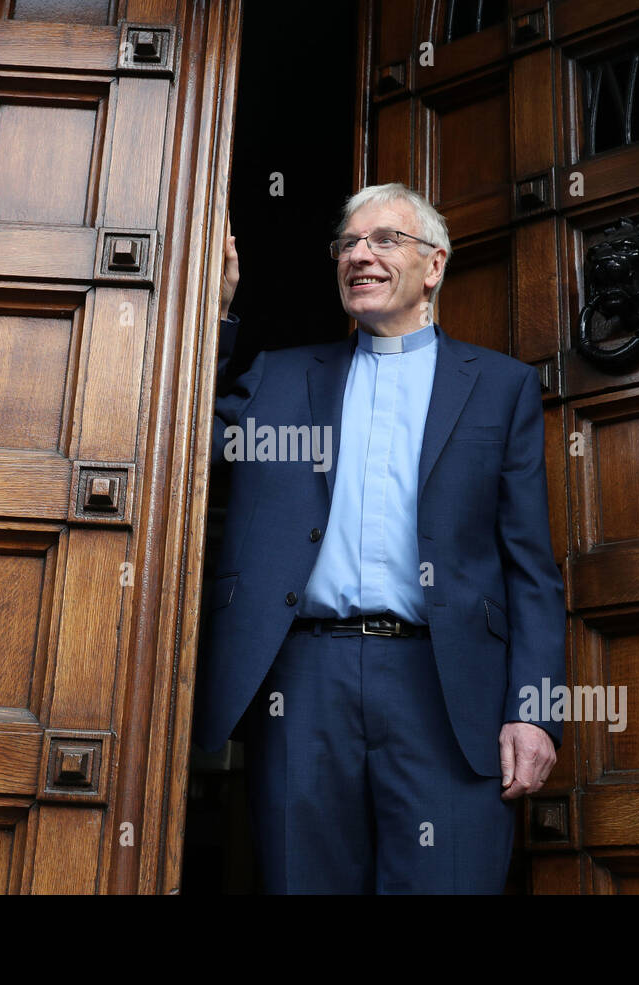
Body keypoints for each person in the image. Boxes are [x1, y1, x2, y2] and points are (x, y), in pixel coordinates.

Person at [193, 182, 566, 893]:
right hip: (303, 684)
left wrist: (536, 708)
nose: (359, 254)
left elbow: (530, 567)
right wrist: (211, 311)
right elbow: (186, 446)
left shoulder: (500, 388)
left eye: (384, 239)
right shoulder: (279, 377)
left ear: (434, 266)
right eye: (347, 243)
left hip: (446, 687)